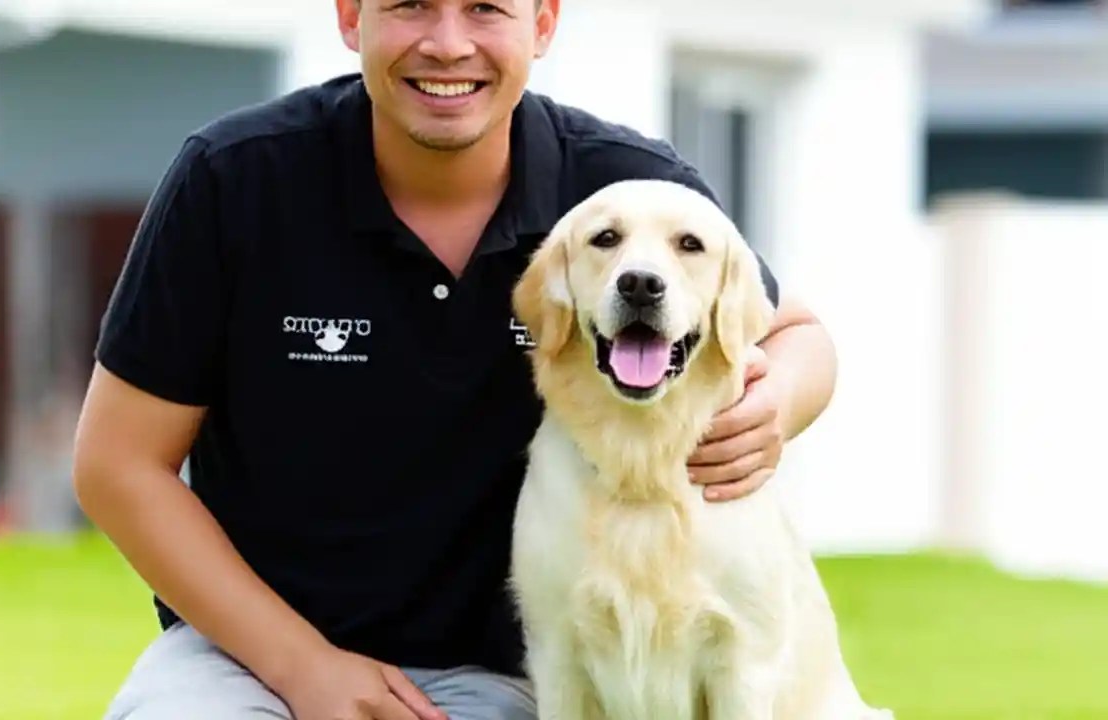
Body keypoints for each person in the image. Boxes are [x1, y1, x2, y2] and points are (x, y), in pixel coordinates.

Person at [72, 1, 838, 718]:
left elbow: (796, 334)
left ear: (541, 22)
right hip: (246, 660)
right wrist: (302, 664)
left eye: (485, 7)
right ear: (350, 15)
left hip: (512, 675)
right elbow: (118, 465)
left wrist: (776, 404)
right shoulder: (233, 180)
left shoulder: (620, 191)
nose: (446, 43)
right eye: (408, 3)